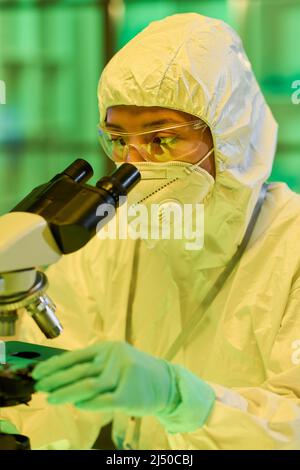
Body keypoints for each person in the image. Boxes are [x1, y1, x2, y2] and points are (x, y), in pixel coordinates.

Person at [1, 12, 300, 450]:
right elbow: (53, 395)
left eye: (161, 140)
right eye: (120, 140)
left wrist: (179, 397)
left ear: (229, 135)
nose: (134, 165)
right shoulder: (112, 239)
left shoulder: (289, 246)